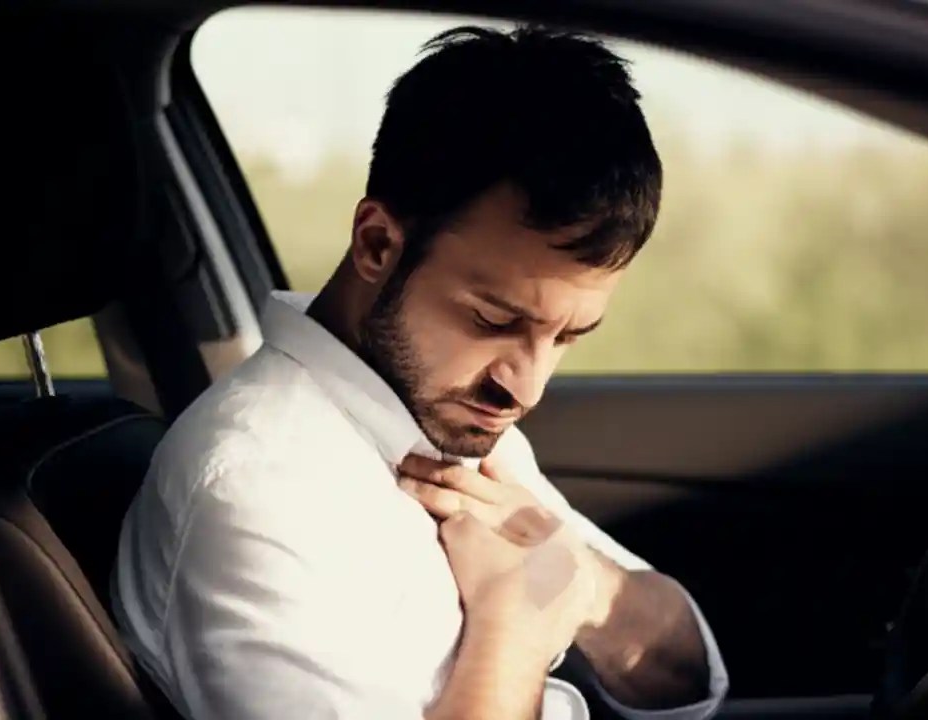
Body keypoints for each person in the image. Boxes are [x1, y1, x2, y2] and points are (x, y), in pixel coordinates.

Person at [112, 24, 728, 720]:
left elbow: (682, 674)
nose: (527, 387)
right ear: (377, 245)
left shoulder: (453, 423)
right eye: (494, 321)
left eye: (569, 336)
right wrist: (516, 632)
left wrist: (578, 585)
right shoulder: (254, 489)